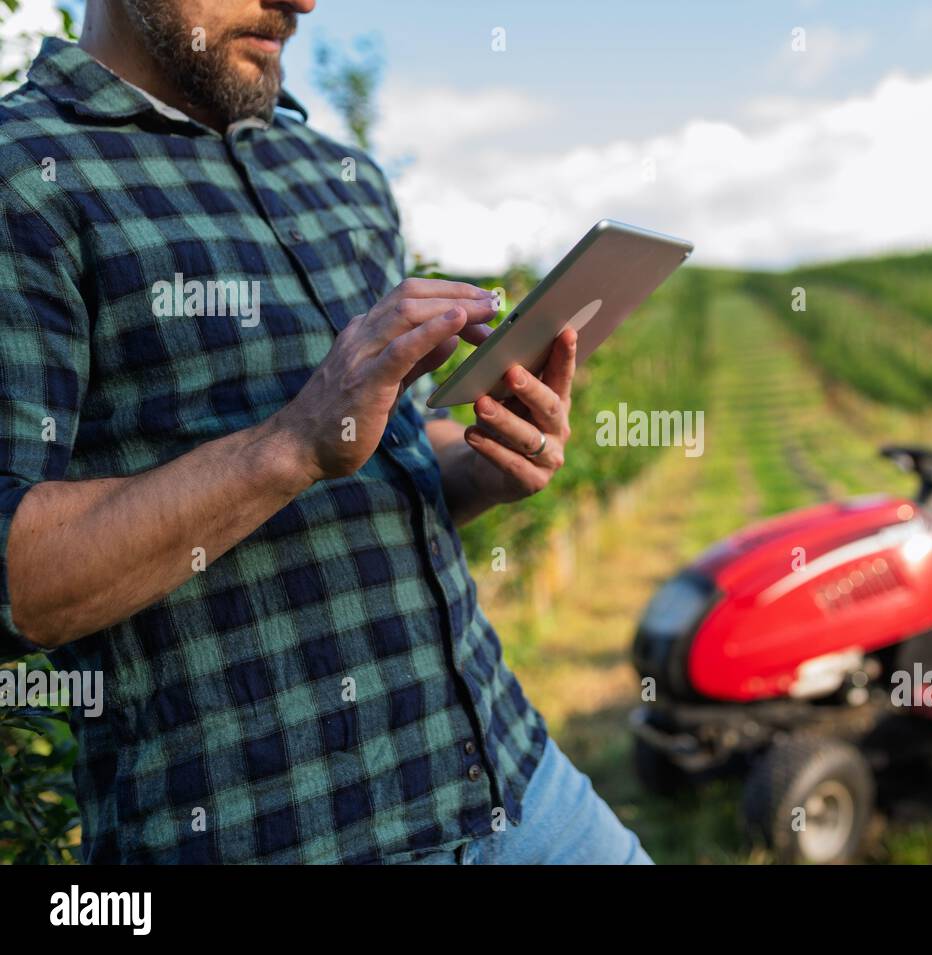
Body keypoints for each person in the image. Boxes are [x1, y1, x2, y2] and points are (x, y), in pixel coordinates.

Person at [0, 0, 651, 865]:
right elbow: (19, 581)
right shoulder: (26, 179)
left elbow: (385, 450)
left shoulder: (339, 176)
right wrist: (292, 443)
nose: (303, 1)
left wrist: (488, 456)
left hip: (521, 786)